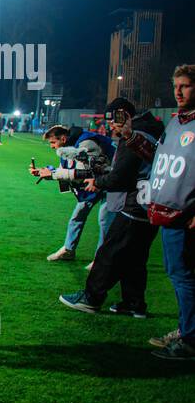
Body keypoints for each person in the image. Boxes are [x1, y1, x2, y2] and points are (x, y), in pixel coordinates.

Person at [57, 98, 163, 318]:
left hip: (134, 205)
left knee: (109, 252)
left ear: (123, 115)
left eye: (111, 120)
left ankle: (91, 298)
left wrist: (99, 182)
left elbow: (121, 176)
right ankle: (134, 303)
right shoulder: (152, 131)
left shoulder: (133, 136)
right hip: (151, 205)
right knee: (135, 258)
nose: (110, 127)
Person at [132, 64, 195, 359]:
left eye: (185, 86)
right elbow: (159, 160)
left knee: (184, 276)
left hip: (186, 217)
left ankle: (190, 339)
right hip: (168, 214)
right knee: (179, 274)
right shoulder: (176, 123)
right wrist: (132, 139)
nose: (178, 92)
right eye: (175, 86)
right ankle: (186, 330)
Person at [33, 123, 116, 262]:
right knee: (77, 217)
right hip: (92, 186)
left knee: (104, 220)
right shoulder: (68, 148)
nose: (52, 146)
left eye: (53, 142)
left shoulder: (86, 144)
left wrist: (52, 174)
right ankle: (68, 250)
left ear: (63, 139)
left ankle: (101, 259)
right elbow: (64, 170)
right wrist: (43, 171)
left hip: (108, 184)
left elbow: (83, 173)